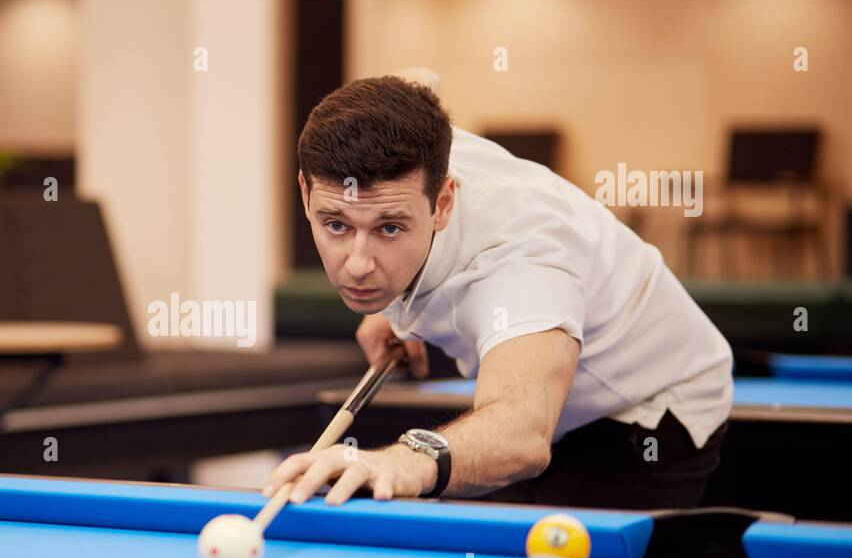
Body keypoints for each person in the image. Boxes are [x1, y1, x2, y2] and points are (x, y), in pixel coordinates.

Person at [262, 75, 732, 511]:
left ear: (442, 202)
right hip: (545, 409)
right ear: (305, 192)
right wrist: (392, 305)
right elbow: (419, 77)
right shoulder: (411, 137)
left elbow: (521, 433)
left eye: (389, 228)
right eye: (336, 224)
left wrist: (405, 459)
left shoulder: (522, 261)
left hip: (644, 415)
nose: (358, 265)